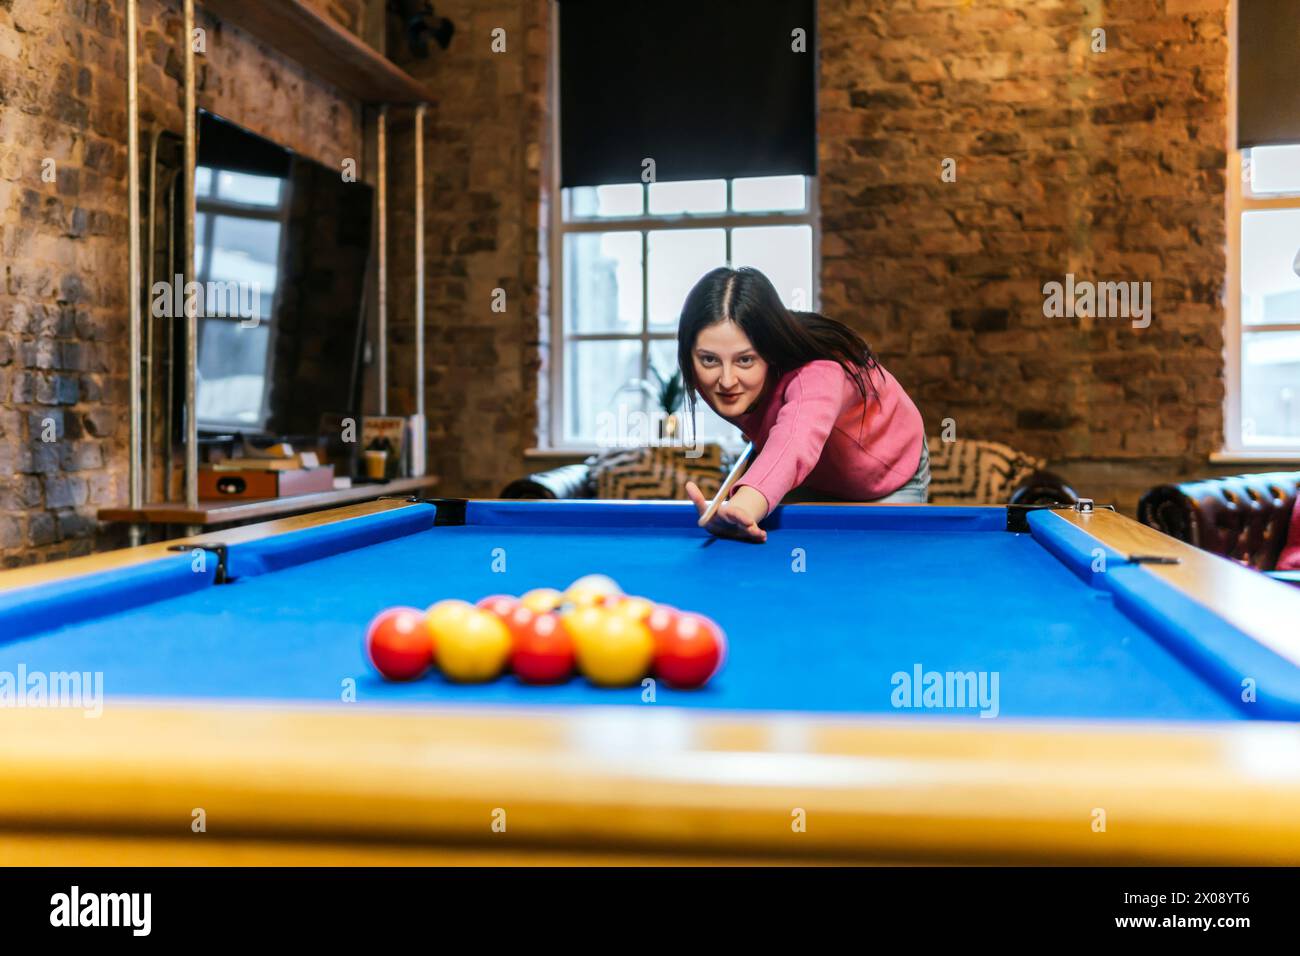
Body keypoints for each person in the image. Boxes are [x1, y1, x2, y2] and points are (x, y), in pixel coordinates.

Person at [678, 266, 928, 542]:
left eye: (745, 360)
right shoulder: (709, 376)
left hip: (886, 471)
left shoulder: (819, 372)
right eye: (710, 359)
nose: (726, 380)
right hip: (814, 475)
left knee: (879, 570)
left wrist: (742, 507)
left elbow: (795, 439)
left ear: (770, 351)